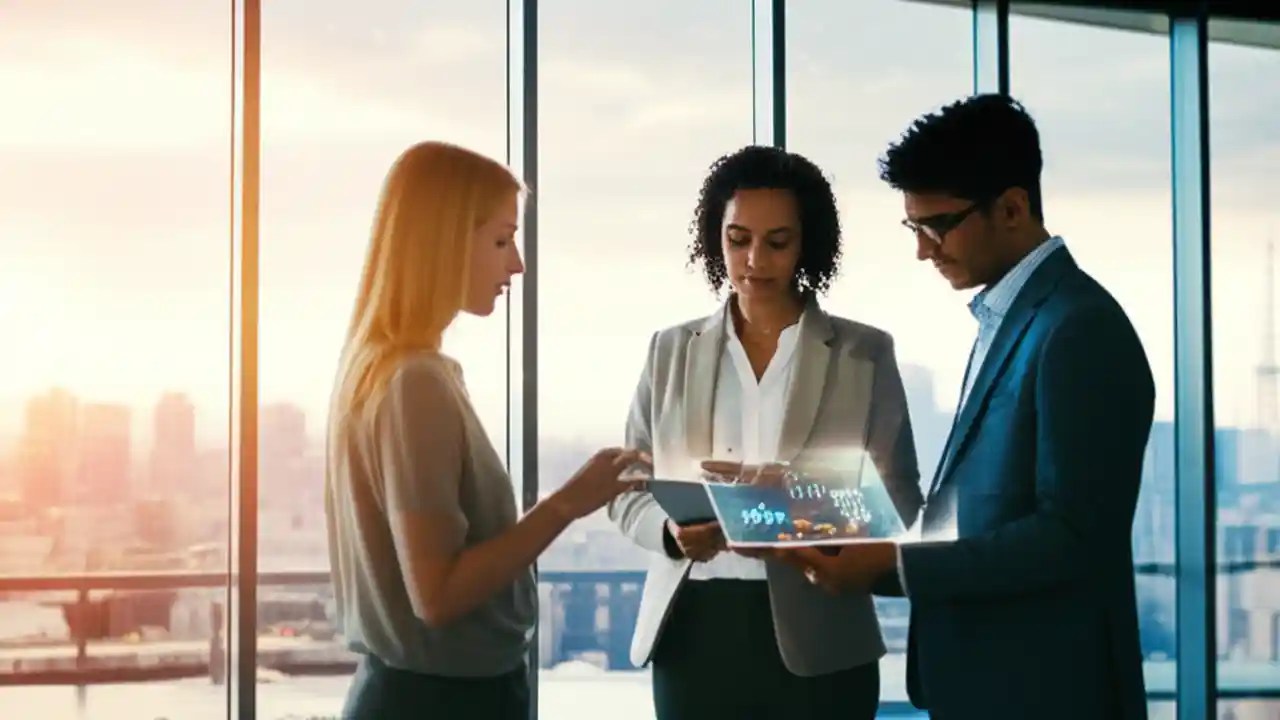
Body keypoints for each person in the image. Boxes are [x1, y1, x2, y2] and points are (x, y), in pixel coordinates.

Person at [781, 95, 1155, 720]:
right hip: (989, 685)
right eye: (913, 228)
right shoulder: (1012, 318)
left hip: (1044, 694)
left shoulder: (1079, 328)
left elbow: (1071, 537)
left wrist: (900, 566)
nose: (923, 250)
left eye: (938, 225)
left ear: (1012, 208)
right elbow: (981, 510)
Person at [324, 141, 647, 720]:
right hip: (440, 704)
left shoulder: (380, 369)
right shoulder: (415, 383)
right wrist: (567, 505)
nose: (516, 264)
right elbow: (438, 594)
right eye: (501, 241)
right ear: (442, 243)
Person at [608, 145, 924, 719]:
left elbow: (897, 502)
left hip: (821, 631)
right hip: (691, 628)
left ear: (807, 244)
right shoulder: (669, 350)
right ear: (716, 238)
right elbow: (628, 489)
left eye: (778, 242)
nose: (755, 260)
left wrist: (783, 503)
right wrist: (671, 534)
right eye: (738, 239)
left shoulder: (863, 353)